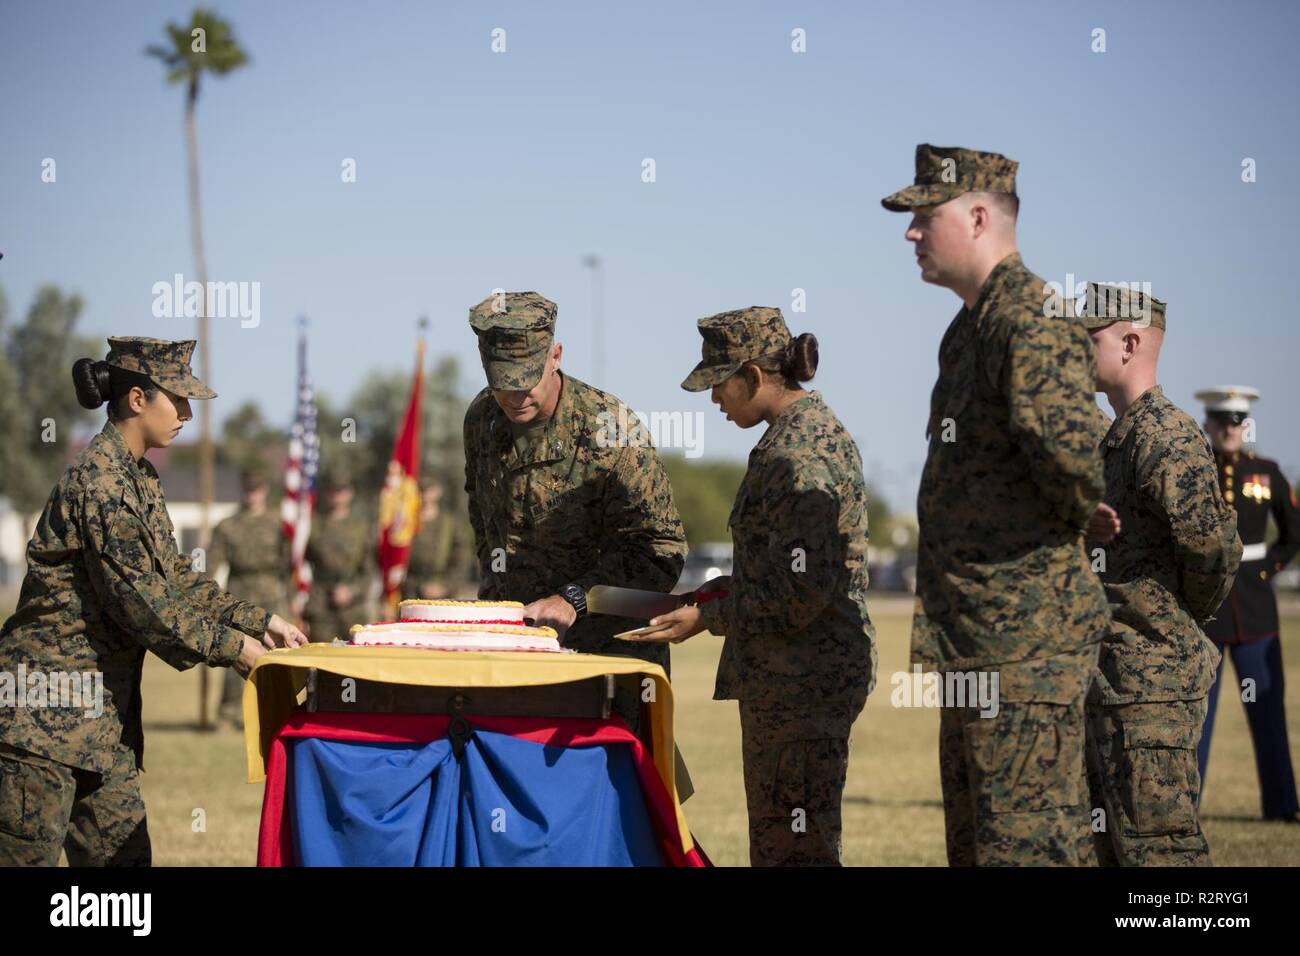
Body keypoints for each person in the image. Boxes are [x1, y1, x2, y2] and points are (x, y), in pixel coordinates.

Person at [881, 144, 1111, 865]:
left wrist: (1069, 523)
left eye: (924, 217)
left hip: (1027, 644)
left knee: (1029, 847)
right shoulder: (969, 328)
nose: (910, 234)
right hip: (977, 640)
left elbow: (1074, 462)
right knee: (981, 846)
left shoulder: (1030, 317)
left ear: (979, 216)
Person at [0, 337, 306, 866]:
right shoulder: (99, 483)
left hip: (100, 723)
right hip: (41, 725)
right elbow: (142, 604)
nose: (187, 413)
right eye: (178, 399)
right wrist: (236, 649)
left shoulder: (139, 478)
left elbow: (177, 582)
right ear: (137, 399)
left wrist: (261, 622)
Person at [638, 307, 876, 867]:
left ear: (752, 374)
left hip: (803, 683)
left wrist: (709, 618)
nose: (714, 399)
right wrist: (721, 590)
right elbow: (783, 571)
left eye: (719, 384)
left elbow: (802, 591)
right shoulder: (794, 437)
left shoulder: (799, 455)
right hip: (793, 679)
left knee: (794, 850)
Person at [461, 291, 687, 711]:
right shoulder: (482, 419)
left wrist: (574, 599)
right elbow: (482, 513)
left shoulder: (611, 428)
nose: (516, 397)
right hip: (516, 657)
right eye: (503, 382)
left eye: (527, 380)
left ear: (556, 356)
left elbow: (662, 554)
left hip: (606, 664)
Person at [1080, 284, 1241, 865]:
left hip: (1152, 686)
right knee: (1111, 849)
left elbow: (1212, 553)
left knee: (1160, 851)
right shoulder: (1117, 436)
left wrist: (1168, 626)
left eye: (1087, 338)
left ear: (1128, 342)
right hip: (1111, 678)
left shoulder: (1164, 436)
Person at [1194, 385, 1300, 822]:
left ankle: (1281, 807)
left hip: (1255, 613)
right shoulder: (1194, 472)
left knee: (1267, 716)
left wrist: (1265, 570)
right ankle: (1184, 808)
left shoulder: (1268, 472)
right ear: (1208, 425)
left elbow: (1294, 534)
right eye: (1221, 422)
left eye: (1237, 422)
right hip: (1208, 614)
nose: (1229, 430)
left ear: (1245, 425)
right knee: (1197, 719)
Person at [207, 465, 293, 729]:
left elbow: (289, 565)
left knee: (274, 654)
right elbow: (212, 565)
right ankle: (229, 713)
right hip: (239, 592)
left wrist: (293, 598)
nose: (252, 495)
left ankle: (276, 709)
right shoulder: (227, 526)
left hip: (269, 592)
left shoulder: (279, 525)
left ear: (264, 491)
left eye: (257, 490)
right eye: (248, 489)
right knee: (237, 650)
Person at [302, 464, 375, 642]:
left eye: (341, 490)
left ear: (350, 493)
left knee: (355, 665)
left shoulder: (362, 528)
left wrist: (352, 590)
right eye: (332, 490)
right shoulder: (312, 525)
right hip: (321, 608)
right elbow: (299, 564)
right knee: (321, 662)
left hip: (353, 609)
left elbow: (369, 571)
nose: (337, 495)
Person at [400, 478, 472, 602]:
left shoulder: (449, 525)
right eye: (421, 490)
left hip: (442, 593)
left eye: (429, 490)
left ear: (438, 492)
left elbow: (462, 560)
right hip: (410, 591)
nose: (425, 495)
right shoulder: (407, 523)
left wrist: (445, 585)